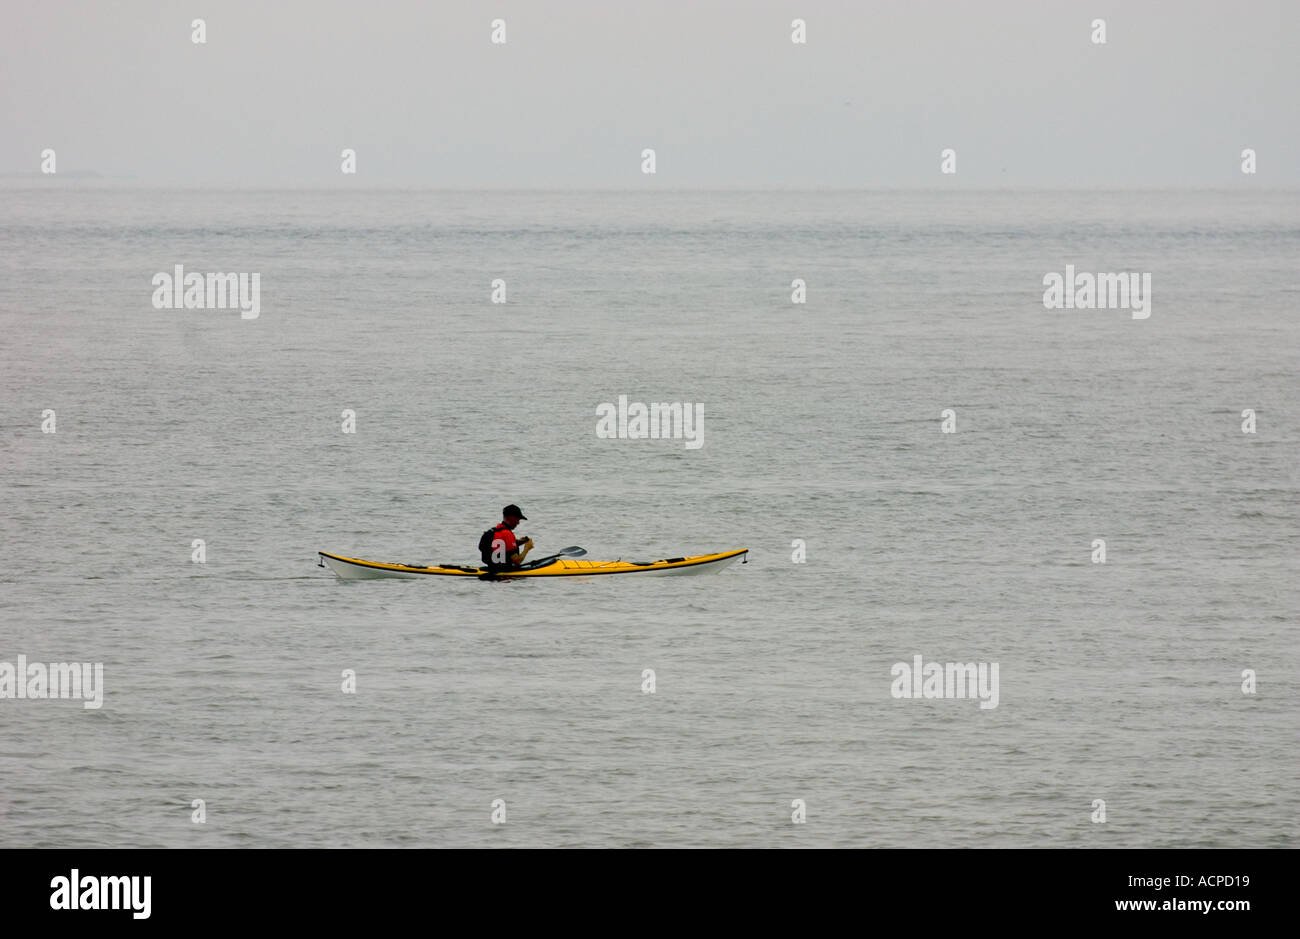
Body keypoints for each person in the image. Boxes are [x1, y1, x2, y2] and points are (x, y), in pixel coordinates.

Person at [478, 504, 533, 572]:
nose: (518, 523)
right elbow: (517, 561)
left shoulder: (492, 531)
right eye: (517, 519)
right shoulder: (508, 534)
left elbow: (499, 547)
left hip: (491, 568)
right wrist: (527, 548)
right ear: (511, 518)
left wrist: (519, 542)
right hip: (505, 574)